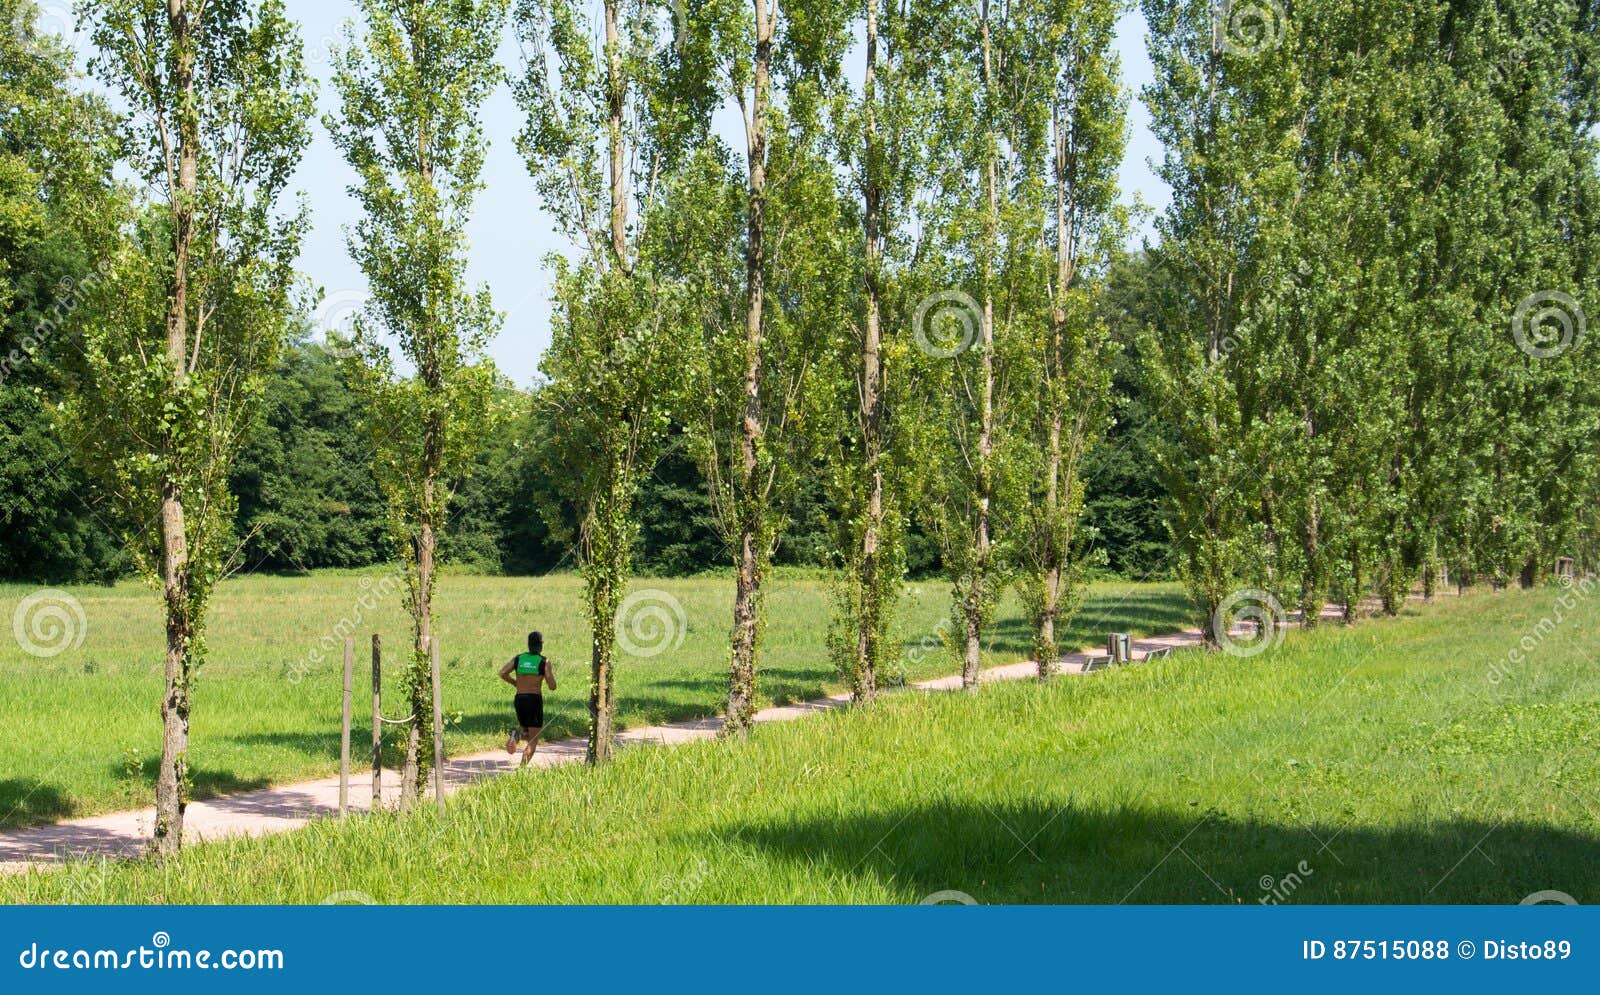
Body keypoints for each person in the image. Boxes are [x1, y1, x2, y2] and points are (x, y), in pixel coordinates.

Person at [499, 631, 556, 767]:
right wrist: (550, 681)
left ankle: (516, 736)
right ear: (541, 645)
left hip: (519, 699)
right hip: (534, 700)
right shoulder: (544, 661)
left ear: (529, 644)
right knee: (534, 739)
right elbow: (552, 685)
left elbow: (503, 673)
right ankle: (521, 770)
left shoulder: (519, 658)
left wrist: (515, 683)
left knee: (526, 732)